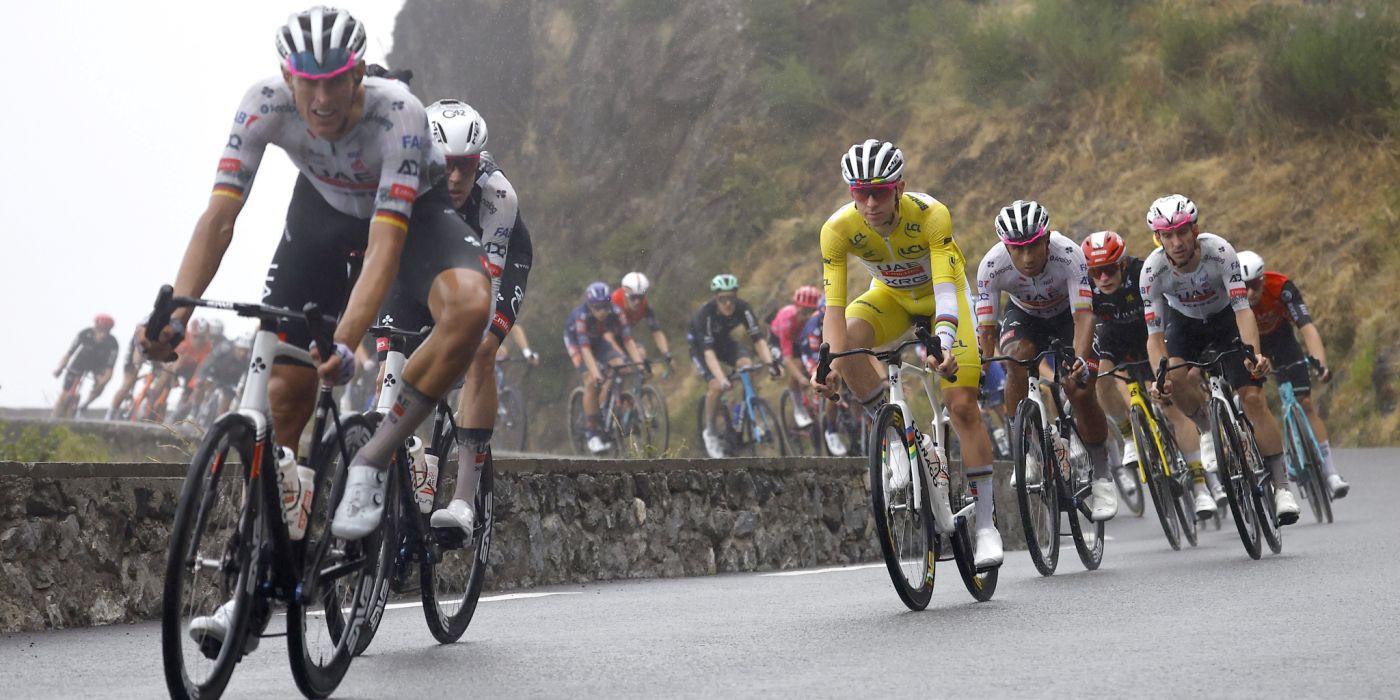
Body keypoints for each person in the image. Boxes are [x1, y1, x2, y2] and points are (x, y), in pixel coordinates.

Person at [142, 6, 492, 654]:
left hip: (410, 219)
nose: (323, 98)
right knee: (283, 400)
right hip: (322, 221)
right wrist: (176, 311)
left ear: (359, 74)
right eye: (309, 82)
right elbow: (221, 216)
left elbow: (385, 249)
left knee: (471, 306)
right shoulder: (264, 104)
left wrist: (344, 337)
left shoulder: (398, 113)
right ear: (287, 77)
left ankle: (375, 454)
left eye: (337, 80)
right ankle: (248, 584)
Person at [811, 139, 1002, 566]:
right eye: (860, 193)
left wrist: (945, 345)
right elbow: (835, 311)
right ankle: (898, 442)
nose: (870, 202)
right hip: (891, 299)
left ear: (899, 187)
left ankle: (986, 524)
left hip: (943, 301)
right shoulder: (838, 230)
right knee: (846, 345)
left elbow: (947, 291)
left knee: (962, 406)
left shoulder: (931, 215)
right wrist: (827, 365)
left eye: (879, 191)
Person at [375, 98, 537, 535]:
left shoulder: (498, 195)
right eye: (447, 165)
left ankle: (463, 499)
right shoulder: (404, 181)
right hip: (426, 257)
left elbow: (490, 288)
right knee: (392, 352)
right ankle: (401, 460)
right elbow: (384, 260)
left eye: (466, 165)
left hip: (493, 260)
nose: (457, 177)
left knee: (481, 350)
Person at [1140, 194, 1299, 523]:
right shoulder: (1152, 272)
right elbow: (1155, 337)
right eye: (1167, 236)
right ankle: (1209, 431)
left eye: (1182, 232)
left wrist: (1253, 354)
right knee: (1174, 376)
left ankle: (1282, 486)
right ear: (1158, 238)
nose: (1176, 242)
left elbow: (1243, 311)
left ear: (1195, 230)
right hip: (1184, 325)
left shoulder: (1220, 252)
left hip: (1227, 318)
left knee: (1253, 398)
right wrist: (1160, 377)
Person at [975, 200, 1118, 522]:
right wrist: (981, 372)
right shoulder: (992, 266)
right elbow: (986, 330)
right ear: (1004, 246)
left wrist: (1079, 360)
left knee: (1080, 389)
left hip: (1069, 317)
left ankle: (1102, 474)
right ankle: (1024, 450)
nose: (1027, 258)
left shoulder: (1068, 255)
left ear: (1047, 238)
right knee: (1015, 360)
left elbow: (1083, 316)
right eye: (1017, 249)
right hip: (1024, 317)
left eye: (1033, 246)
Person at [1238, 250, 1349, 498]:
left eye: (1254, 286)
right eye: (1244, 287)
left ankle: (1331, 473)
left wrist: (1320, 363)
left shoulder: (1281, 286)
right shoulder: (1231, 298)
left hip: (1283, 343)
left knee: (1306, 403)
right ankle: (1276, 456)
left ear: (1263, 279)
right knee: (1256, 403)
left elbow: (1306, 327)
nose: (1250, 293)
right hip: (1252, 348)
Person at [691, 274, 780, 458]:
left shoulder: (743, 308)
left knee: (747, 366)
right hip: (701, 348)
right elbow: (708, 354)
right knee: (716, 386)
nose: (728, 303)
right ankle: (710, 431)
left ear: (736, 296)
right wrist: (722, 379)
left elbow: (759, 340)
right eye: (723, 299)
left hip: (724, 342)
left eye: (731, 298)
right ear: (716, 298)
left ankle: (748, 409)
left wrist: (771, 364)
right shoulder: (705, 314)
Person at [565, 282, 645, 453]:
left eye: (605, 307)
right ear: (590, 306)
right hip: (577, 342)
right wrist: (595, 372)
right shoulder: (581, 316)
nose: (602, 311)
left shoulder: (616, 312)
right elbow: (585, 349)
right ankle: (592, 433)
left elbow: (628, 341)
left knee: (621, 366)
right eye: (597, 307)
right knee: (591, 380)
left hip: (598, 340)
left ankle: (607, 406)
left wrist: (639, 364)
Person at [770, 285, 823, 433]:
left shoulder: (814, 320)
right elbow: (787, 359)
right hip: (779, 339)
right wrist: (801, 379)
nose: (807, 316)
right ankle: (799, 409)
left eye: (811, 312)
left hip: (800, 339)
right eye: (804, 311)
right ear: (796, 307)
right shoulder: (788, 320)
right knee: (797, 366)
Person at [53, 314, 119, 417]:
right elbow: (69, 353)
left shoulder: (113, 343)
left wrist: (101, 384)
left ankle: (85, 405)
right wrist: (60, 368)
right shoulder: (85, 333)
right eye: (101, 330)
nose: (103, 334)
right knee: (65, 393)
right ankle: (55, 416)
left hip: (98, 365)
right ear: (95, 328)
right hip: (81, 361)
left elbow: (109, 370)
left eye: (107, 331)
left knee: (102, 384)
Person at [611, 272, 674, 370]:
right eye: (633, 298)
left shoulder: (645, 306)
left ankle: (636, 384)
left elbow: (656, 331)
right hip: (606, 338)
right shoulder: (614, 302)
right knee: (619, 365)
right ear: (625, 294)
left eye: (640, 297)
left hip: (624, 337)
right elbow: (606, 335)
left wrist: (666, 353)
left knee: (642, 358)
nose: (637, 302)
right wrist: (621, 355)